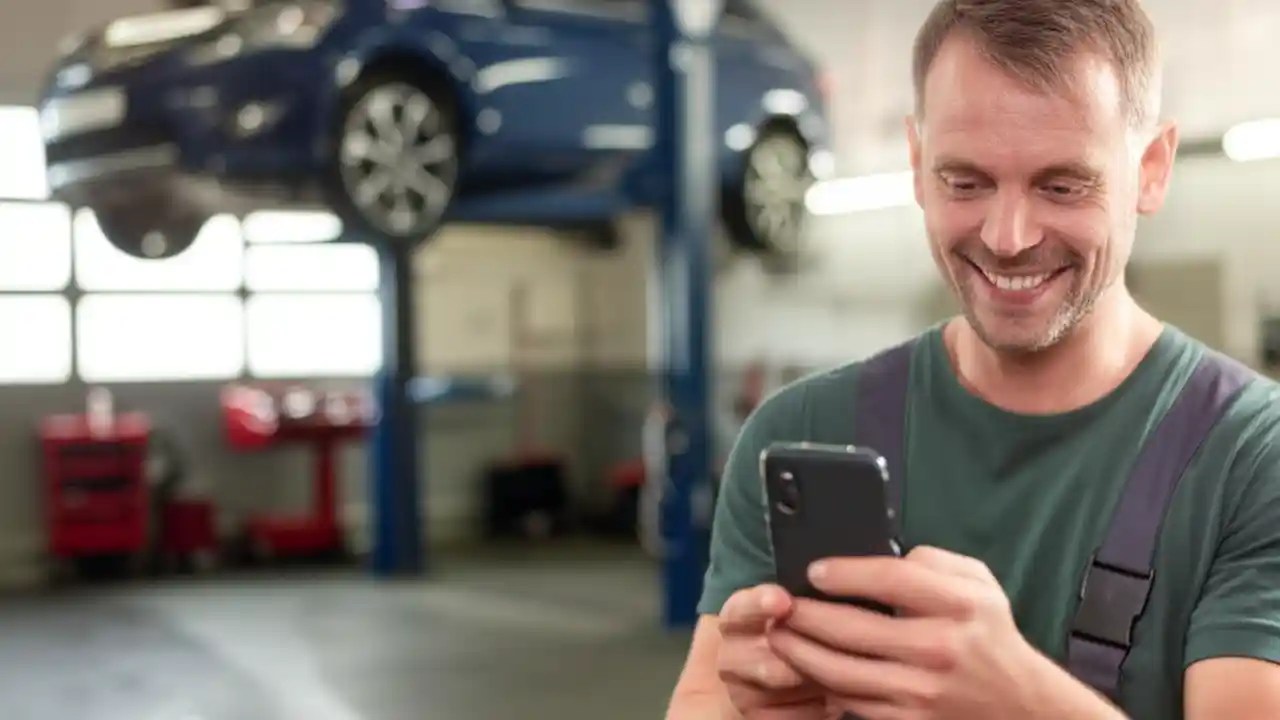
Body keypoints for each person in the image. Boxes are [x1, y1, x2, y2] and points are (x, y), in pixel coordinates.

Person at [664, 1, 1280, 718]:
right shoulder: (799, 431)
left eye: (1061, 184)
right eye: (966, 182)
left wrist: (1019, 699)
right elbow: (703, 698)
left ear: (1150, 169)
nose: (1008, 235)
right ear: (919, 165)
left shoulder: (1251, 457)